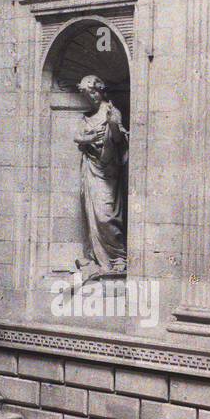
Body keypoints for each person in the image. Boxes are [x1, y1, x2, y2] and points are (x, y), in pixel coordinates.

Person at [74, 74, 128, 281]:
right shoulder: (87, 117)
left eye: (94, 92)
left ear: (101, 90)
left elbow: (117, 139)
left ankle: (118, 257)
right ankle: (100, 259)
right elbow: (78, 137)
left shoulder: (112, 112)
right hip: (91, 169)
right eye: (88, 95)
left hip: (109, 172)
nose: (92, 97)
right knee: (93, 215)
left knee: (106, 215)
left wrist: (113, 124)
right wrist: (89, 139)